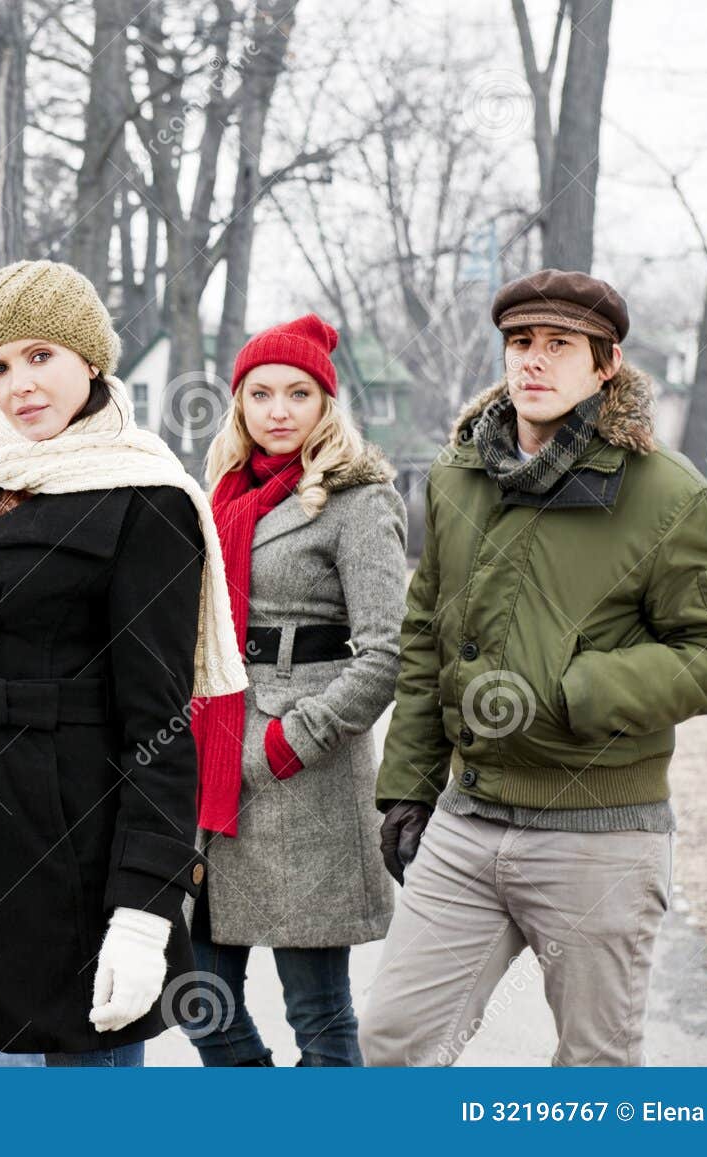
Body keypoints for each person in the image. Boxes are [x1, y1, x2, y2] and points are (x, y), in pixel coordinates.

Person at [363, 270, 707, 1066]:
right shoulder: (458, 477)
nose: (534, 361)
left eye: (560, 345)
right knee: (392, 1047)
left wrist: (578, 691)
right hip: (468, 822)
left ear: (606, 364)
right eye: (521, 342)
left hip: (600, 837)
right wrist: (409, 787)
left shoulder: (666, 493)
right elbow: (426, 640)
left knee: (594, 1069)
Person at [0, 260, 247, 1066]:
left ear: (91, 359)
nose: (17, 385)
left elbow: (161, 728)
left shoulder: (147, 497)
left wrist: (145, 907)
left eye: (41, 356)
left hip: (70, 851)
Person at [185, 314, 406, 1066]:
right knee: (196, 995)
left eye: (298, 393)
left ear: (326, 404)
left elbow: (387, 652)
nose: (278, 410)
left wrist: (291, 740)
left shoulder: (359, 498)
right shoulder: (220, 497)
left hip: (298, 775)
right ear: (239, 404)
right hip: (210, 761)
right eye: (261, 393)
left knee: (317, 1012)